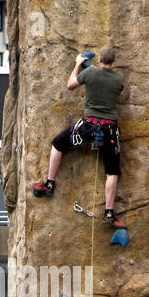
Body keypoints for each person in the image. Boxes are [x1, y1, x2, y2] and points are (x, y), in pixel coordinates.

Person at [33, 46, 126, 227]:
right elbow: (111, 86)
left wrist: (77, 65)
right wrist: (90, 69)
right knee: (112, 172)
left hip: (88, 126)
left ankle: (49, 184)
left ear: (100, 59)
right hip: (110, 130)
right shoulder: (119, 78)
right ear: (113, 61)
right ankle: (109, 212)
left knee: (58, 144)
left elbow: (71, 85)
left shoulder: (90, 74)